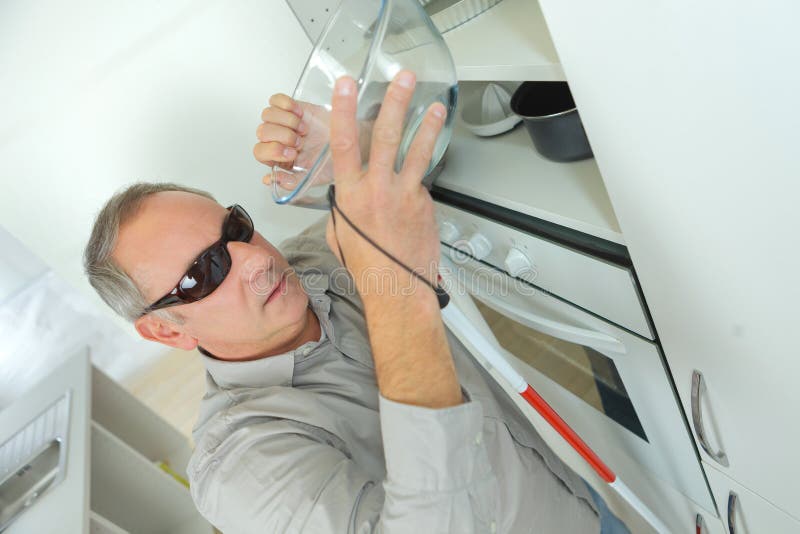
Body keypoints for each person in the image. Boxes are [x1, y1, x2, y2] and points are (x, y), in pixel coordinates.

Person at [84, 71, 629, 533]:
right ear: (166, 332)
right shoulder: (238, 470)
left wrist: (359, 152)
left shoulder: (316, 263)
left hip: (576, 505)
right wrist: (399, 287)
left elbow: (422, 175)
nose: (255, 260)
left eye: (237, 228)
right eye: (204, 273)